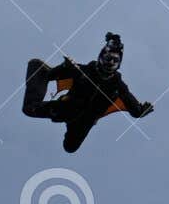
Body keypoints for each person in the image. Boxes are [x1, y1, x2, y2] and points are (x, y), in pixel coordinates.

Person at [23, 33, 152, 154]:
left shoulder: (118, 86)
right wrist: (64, 68)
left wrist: (141, 111)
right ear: (101, 58)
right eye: (108, 58)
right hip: (66, 108)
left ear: (118, 64)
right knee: (29, 109)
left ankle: (73, 120)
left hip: (84, 121)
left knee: (70, 147)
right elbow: (51, 75)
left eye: (115, 60)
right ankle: (38, 68)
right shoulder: (83, 71)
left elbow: (134, 109)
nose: (110, 62)